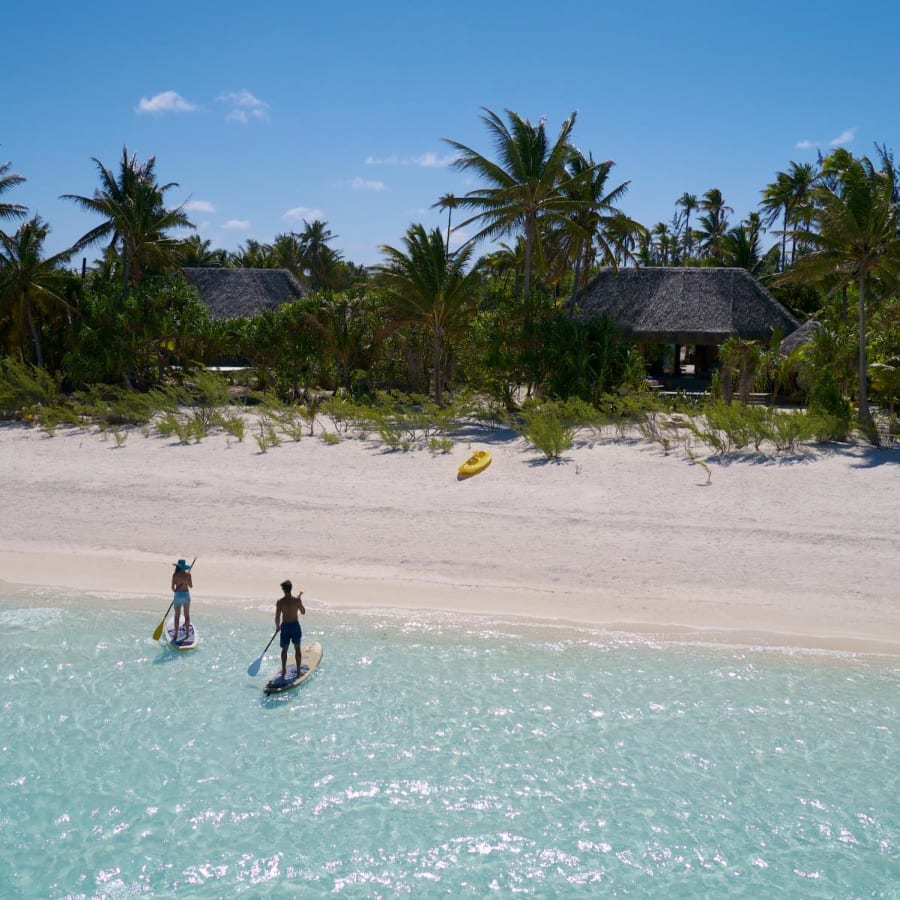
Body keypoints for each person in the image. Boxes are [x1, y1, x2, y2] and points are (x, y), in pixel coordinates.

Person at [275, 579, 306, 679]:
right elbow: (303, 612)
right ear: (291, 589)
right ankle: (298, 671)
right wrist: (300, 603)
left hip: (285, 627)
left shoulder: (280, 602)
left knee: (284, 650)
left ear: (283, 590)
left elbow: (277, 617)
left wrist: (277, 626)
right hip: (295, 626)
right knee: (297, 648)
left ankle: (284, 671)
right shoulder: (296, 600)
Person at [171, 559, 193, 642]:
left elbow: (173, 588)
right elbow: (191, 586)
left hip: (178, 595)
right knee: (187, 615)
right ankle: (187, 633)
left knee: (177, 616)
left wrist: (176, 590)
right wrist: (186, 580)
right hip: (186, 595)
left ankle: (176, 634)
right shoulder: (188, 575)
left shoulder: (175, 575)